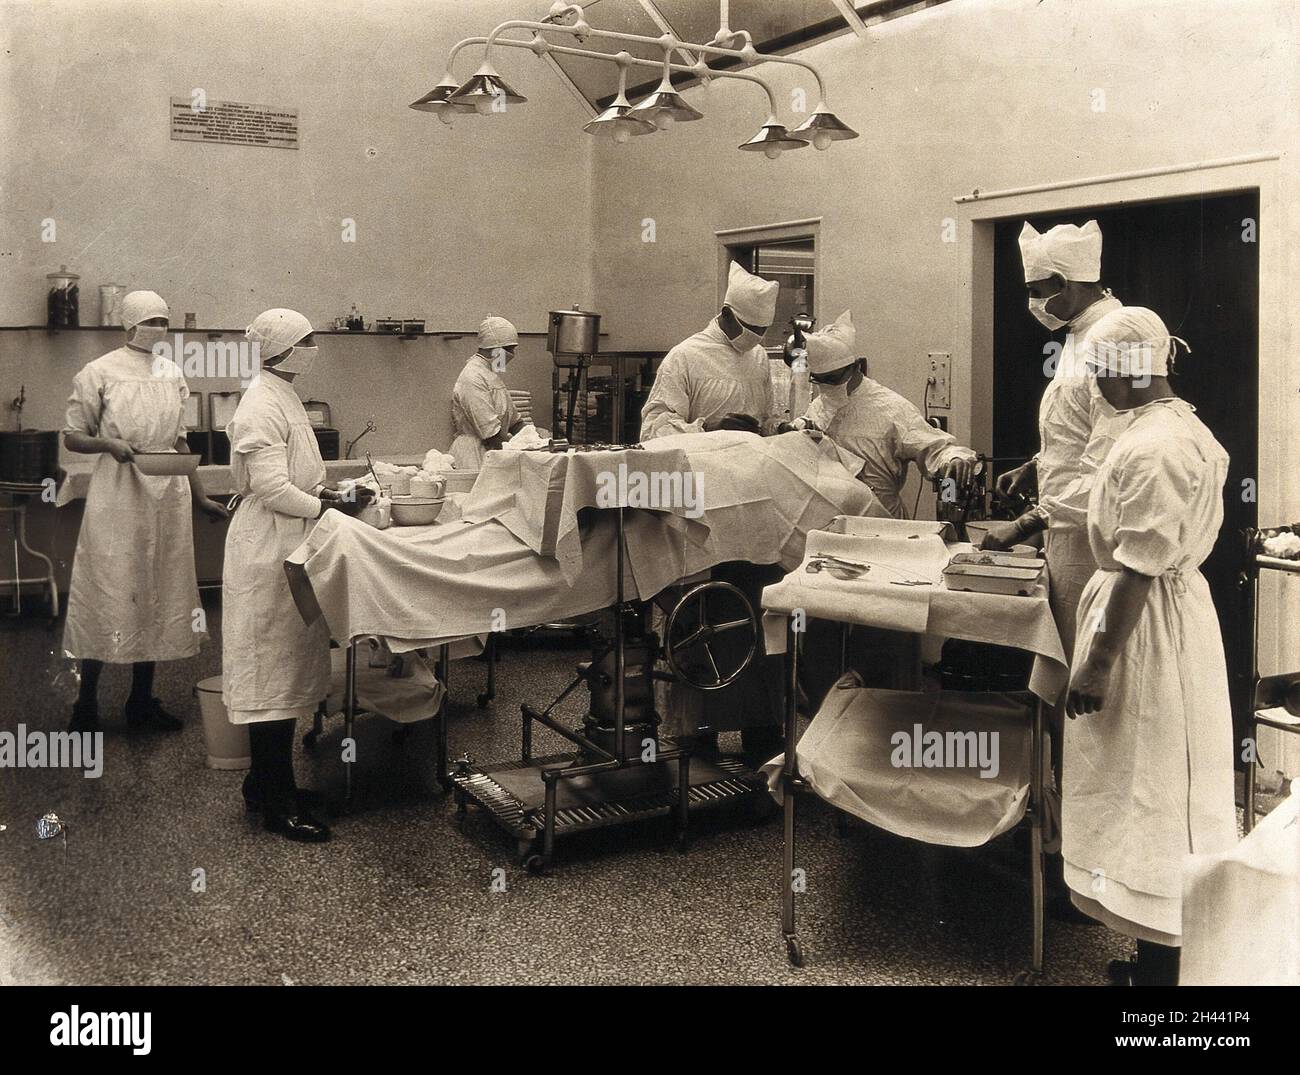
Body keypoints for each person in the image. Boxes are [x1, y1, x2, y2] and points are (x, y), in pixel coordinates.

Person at [1062, 307, 1236, 986]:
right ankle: (1158, 959)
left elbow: (1136, 566)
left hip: (1143, 629)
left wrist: (1097, 664)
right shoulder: (1177, 427)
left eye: (1102, 373)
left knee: (1153, 785)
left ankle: (1163, 977)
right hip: (1171, 619)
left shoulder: (1153, 446)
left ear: (1130, 374)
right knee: (1157, 783)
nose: (1097, 386)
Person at [223, 309, 372, 843]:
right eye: (307, 340)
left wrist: (327, 494)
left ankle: (266, 784)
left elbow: (295, 477)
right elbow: (272, 490)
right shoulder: (260, 403)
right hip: (268, 545)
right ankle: (276, 802)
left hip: (290, 540)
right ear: (284, 348)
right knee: (271, 672)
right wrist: (326, 509)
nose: (314, 347)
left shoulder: (281, 393)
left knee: (285, 666)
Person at [62, 290, 226, 732]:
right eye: (149, 320)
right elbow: (73, 437)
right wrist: (108, 444)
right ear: (129, 323)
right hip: (118, 492)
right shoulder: (99, 372)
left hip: (166, 491)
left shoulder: (171, 372)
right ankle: (86, 702)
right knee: (109, 588)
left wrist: (200, 495)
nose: (157, 328)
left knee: (160, 588)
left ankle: (140, 700)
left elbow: (180, 441)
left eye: (162, 320)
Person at [981, 220, 1125, 666]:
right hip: (1066, 524)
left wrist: (1027, 523)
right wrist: (1036, 464)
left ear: (1064, 284)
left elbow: (1112, 463)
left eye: (1037, 290)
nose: (1033, 303)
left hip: (1093, 535)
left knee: (1086, 660)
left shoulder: (1114, 337)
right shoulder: (1080, 334)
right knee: (1064, 654)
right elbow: (1080, 428)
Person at [789, 310, 978, 517]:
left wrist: (954, 459)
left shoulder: (891, 408)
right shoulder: (819, 406)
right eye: (819, 380)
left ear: (855, 367)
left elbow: (935, 448)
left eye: (832, 380)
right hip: (828, 518)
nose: (827, 387)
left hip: (882, 520)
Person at [640, 262, 782, 439]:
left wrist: (779, 428)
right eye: (750, 329)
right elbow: (653, 430)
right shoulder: (685, 357)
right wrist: (708, 428)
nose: (756, 337)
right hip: (702, 462)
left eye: (763, 330)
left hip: (749, 461)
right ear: (727, 314)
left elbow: (766, 419)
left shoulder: (758, 356)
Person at [450, 316, 527, 469]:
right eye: (509, 350)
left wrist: (534, 439)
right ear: (496, 349)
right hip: (474, 455)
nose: (512, 355)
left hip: (494, 450)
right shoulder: (472, 377)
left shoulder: (491, 375)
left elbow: (514, 422)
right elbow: (490, 434)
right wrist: (519, 456)